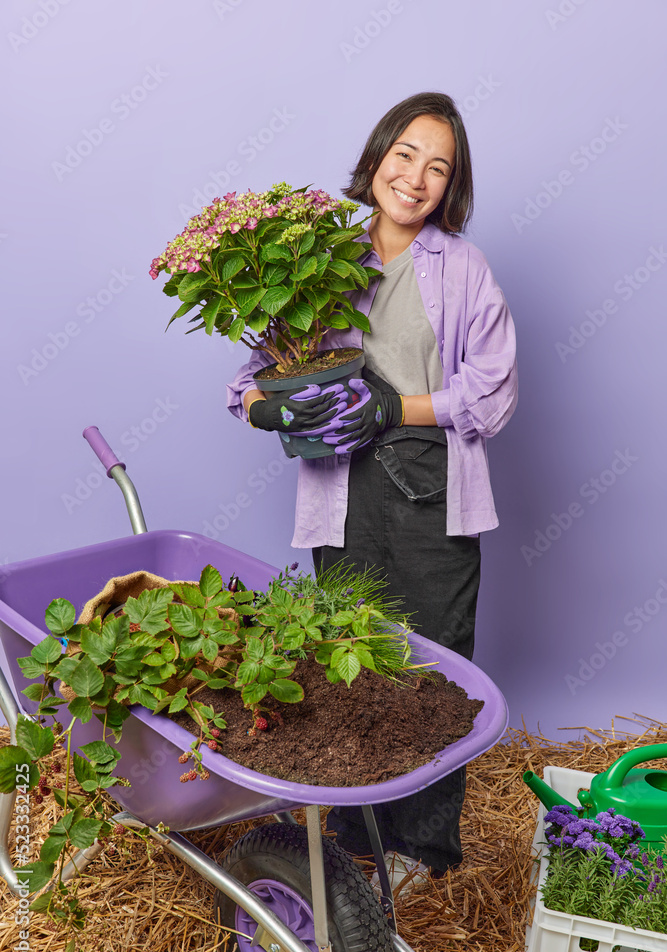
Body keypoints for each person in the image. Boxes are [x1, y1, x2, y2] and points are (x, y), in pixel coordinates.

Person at [227, 92, 518, 888]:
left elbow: (491, 394)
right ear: (377, 155)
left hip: (430, 491)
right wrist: (268, 408)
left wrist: (394, 405)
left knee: (431, 675)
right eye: (405, 156)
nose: (416, 178)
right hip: (340, 492)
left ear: (449, 185)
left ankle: (421, 849)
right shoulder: (315, 254)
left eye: (438, 167)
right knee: (347, 667)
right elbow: (252, 381)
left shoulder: (460, 267)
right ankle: (350, 839)